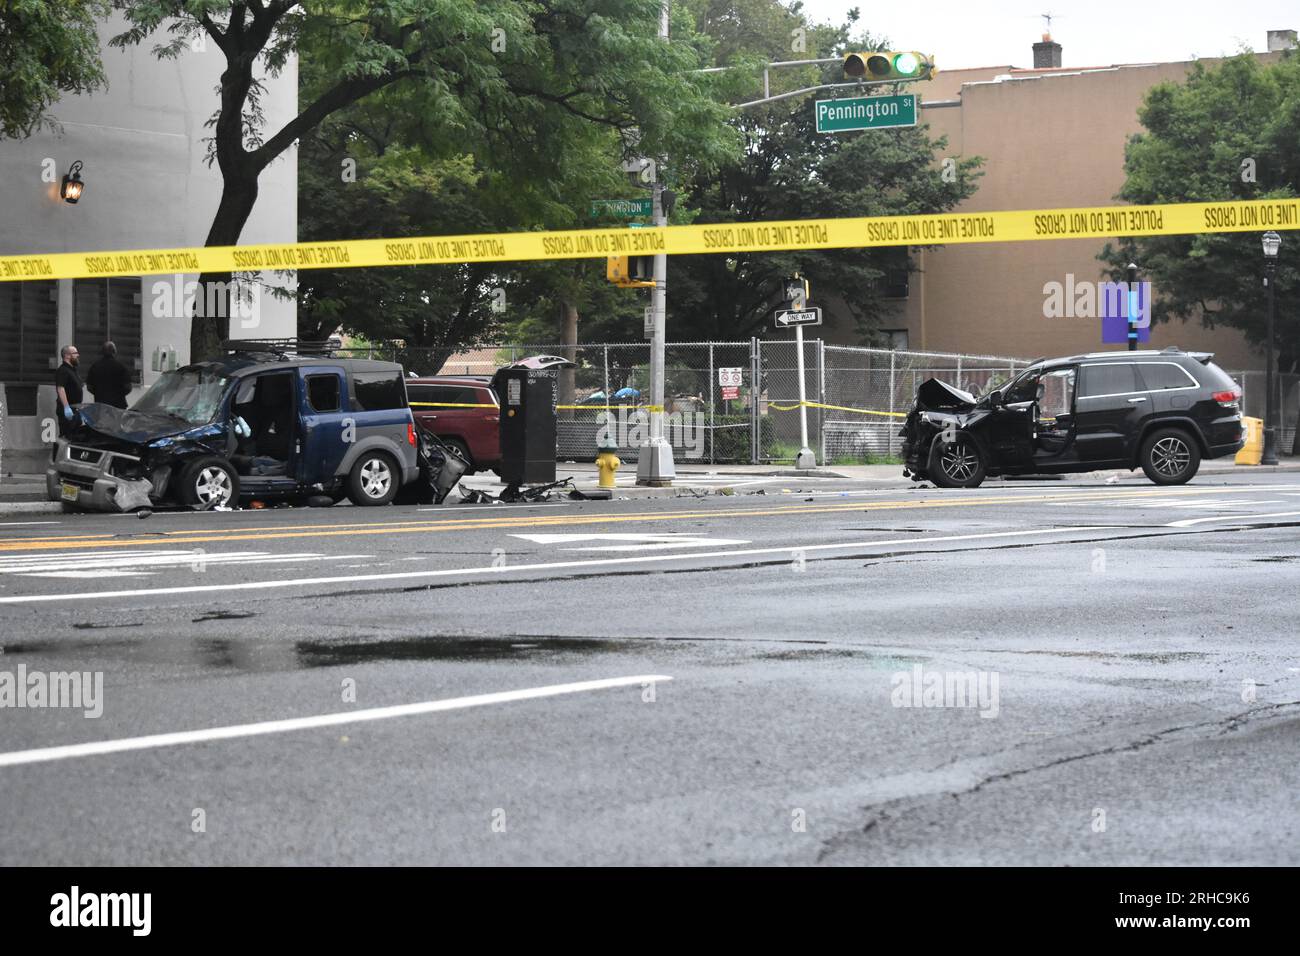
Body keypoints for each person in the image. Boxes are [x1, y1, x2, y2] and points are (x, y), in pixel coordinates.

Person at [85, 340, 132, 409]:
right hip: (118, 405)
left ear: (102, 352)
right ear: (114, 351)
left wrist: (99, 394)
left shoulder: (95, 367)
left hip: (100, 404)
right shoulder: (120, 367)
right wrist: (119, 395)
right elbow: (128, 387)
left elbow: (89, 387)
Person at [54, 344, 83, 436]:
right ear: (67, 355)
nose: (77, 355)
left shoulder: (73, 370)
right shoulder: (63, 371)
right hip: (68, 409)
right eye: (75, 353)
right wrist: (66, 407)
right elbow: (60, 388)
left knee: (75, 435)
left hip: (75, 409)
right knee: (67, 435)